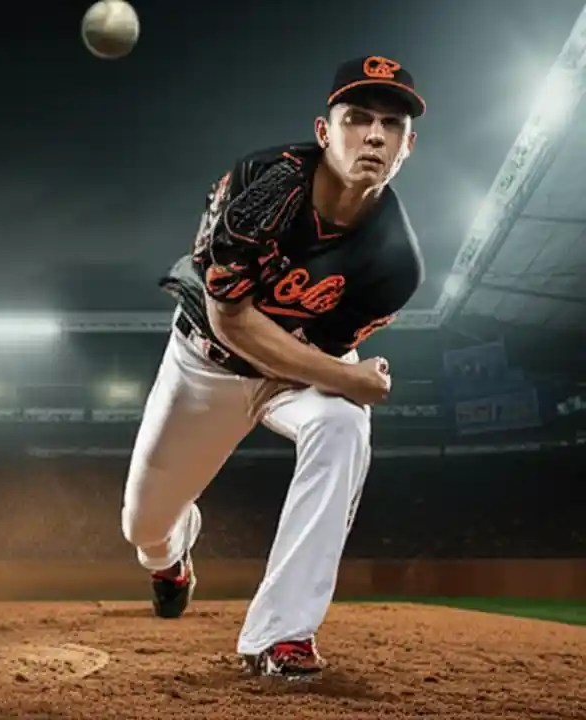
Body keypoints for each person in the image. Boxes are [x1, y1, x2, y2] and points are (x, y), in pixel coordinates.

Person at [121, 55, 426, 678]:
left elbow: (314, 354)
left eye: (391, 125)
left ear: (407, 145)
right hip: (204, 362)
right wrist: (356, 381)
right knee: (143, 523)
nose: (373, 135)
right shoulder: (261, 182)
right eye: (357, 118)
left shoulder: (397, 261)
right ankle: (172, 555)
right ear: (324, 131)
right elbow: (231, 319)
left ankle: (281, 636)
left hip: (297, 371)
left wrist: (341, 383)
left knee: (342, 426)